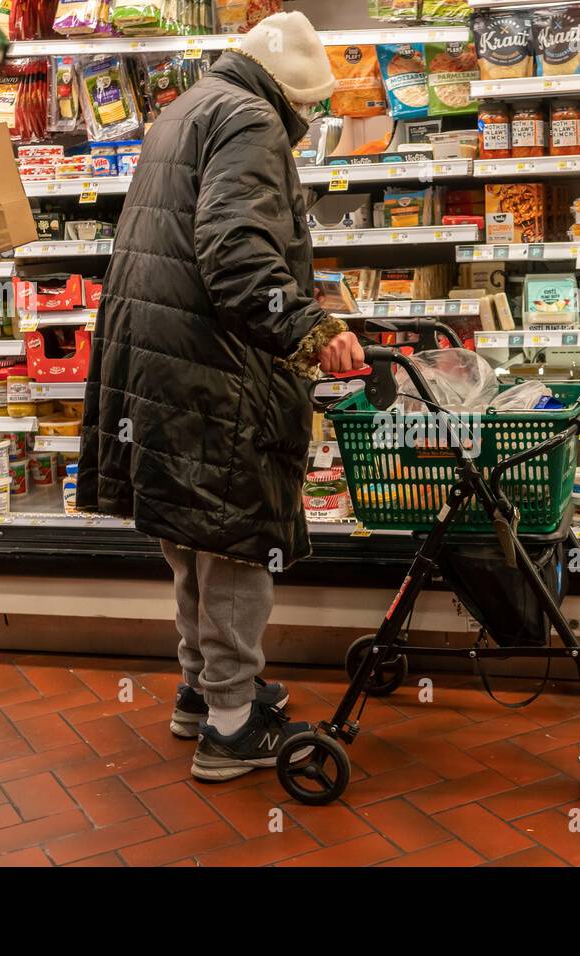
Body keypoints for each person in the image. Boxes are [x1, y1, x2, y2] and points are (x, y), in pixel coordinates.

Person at [77, 11, 364, 782]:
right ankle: (233, 729)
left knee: (192, 532)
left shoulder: (188, 106)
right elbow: (234, 250)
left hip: (158, 356)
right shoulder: (252, 119)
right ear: (295, 99)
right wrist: (310, 328)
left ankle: (203, 692)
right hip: (210, 366)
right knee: (236, 538)